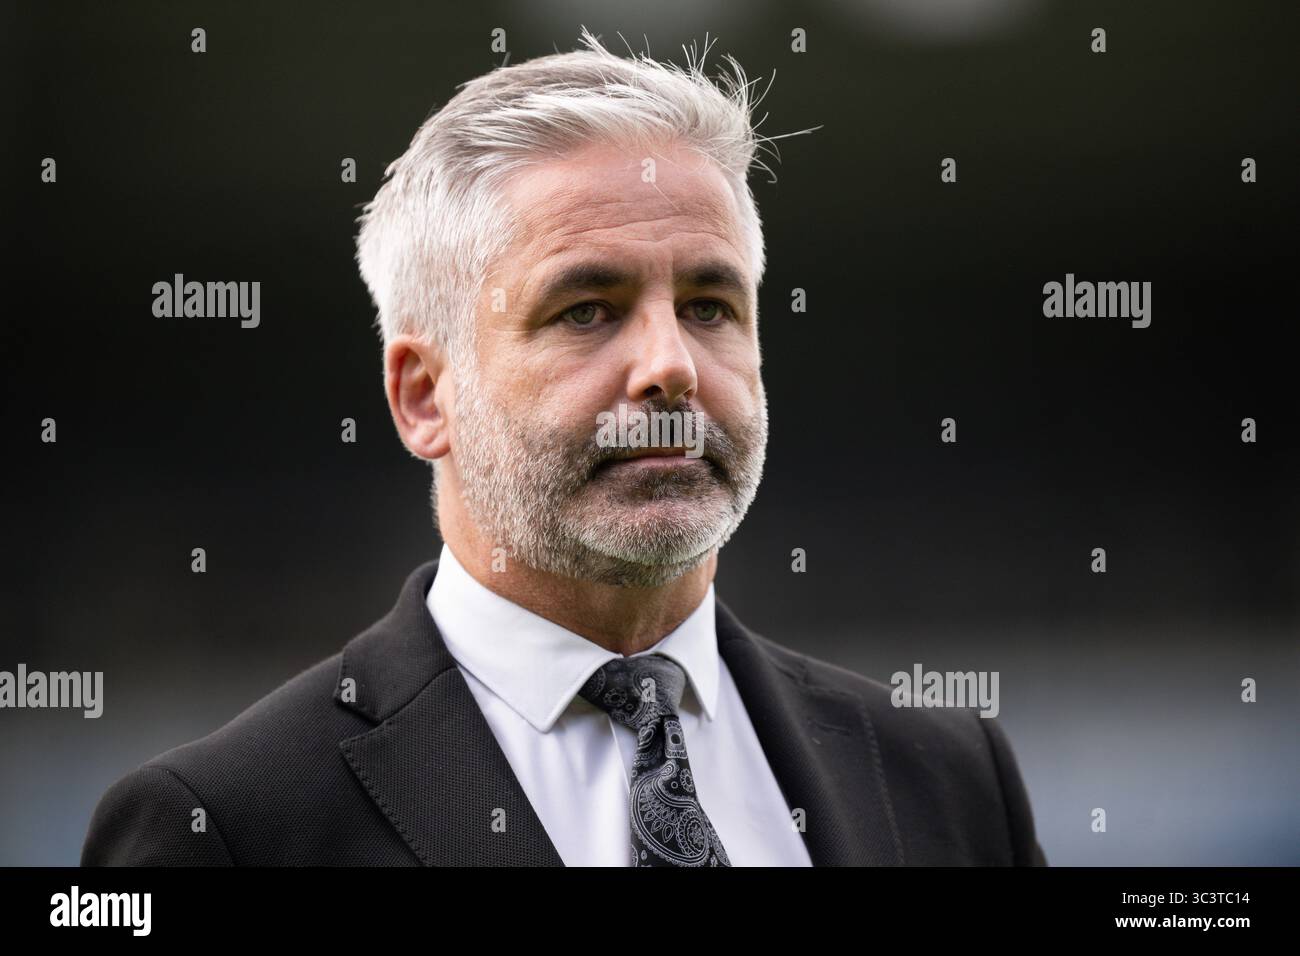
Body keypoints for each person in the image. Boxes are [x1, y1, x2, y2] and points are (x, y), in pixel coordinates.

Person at [82, 29, 1046, 867]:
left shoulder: (951, 782)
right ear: (425, 396)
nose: (669, 365)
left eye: (710, 305)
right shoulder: (225, 828)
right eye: (587, 309)